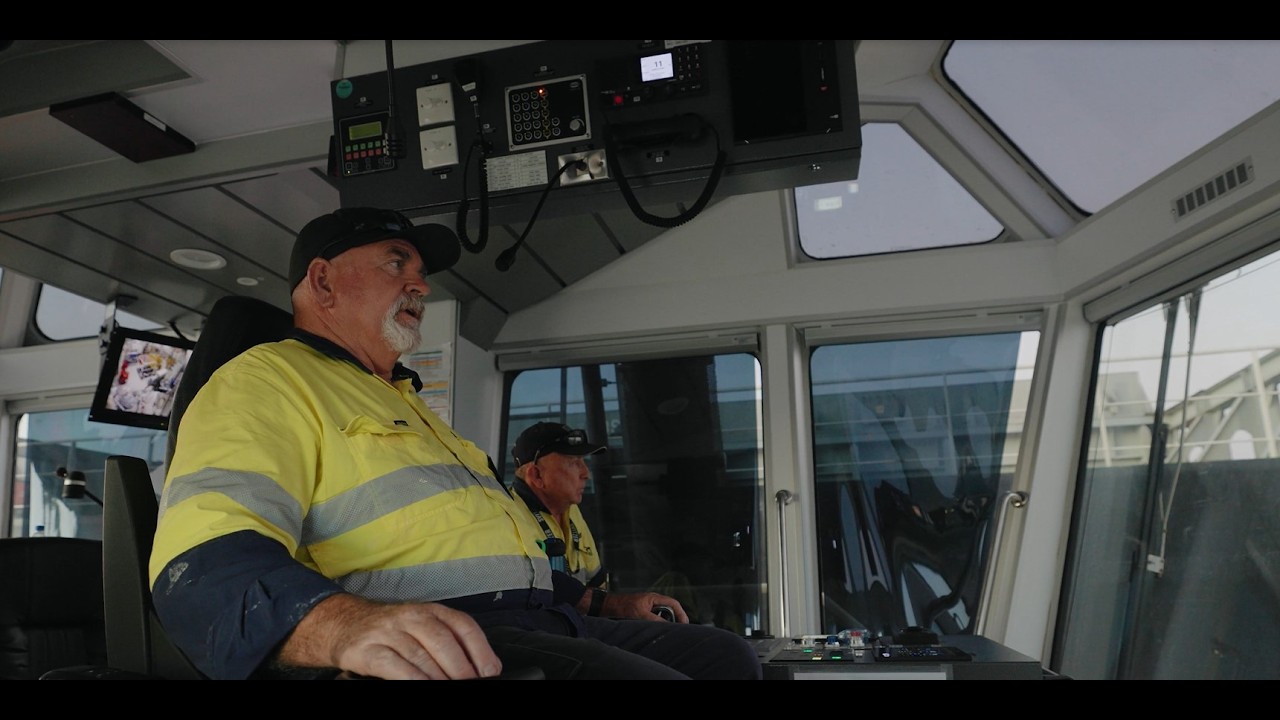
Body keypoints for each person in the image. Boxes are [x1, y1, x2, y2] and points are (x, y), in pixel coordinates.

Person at [149, 206, 761, 681]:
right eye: (397, 264)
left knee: (725, 657)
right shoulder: (265, 380)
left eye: (421, 274)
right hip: (445, 628)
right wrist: (339, 626)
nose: (421, 285)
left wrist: (602, 603)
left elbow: (486, 550)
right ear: (323, 281)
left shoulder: (408, 402)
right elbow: (204, 556)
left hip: (546, 616)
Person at [508, 421, 688, 623]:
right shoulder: (509, 518)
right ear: (537, 475)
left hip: (584, 626)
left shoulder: (570, 510)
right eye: (573, 462)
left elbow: (596, 582)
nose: (586, 473)